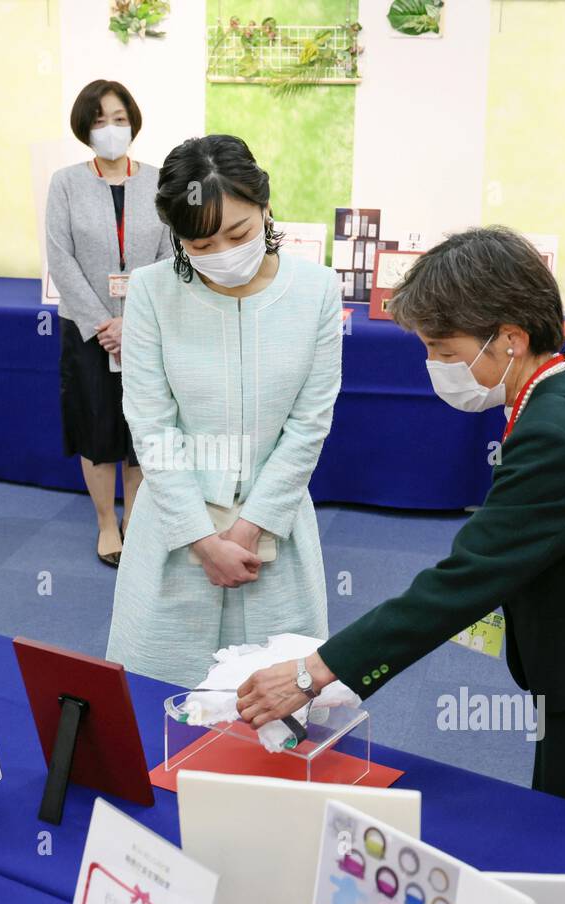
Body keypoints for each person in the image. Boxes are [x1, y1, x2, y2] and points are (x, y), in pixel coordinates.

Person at [236, 226, 565, 841]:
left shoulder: (556, 435)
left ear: (511, 340)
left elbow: (461, 583)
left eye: (444, 349)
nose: (434, 366)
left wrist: (313, 672)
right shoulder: (558, 397)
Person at [105, 135, 343, 686]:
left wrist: (250, 529)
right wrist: (200, 536)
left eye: (237, 234)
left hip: (272, 528)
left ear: (265, 207)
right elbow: (151, 423)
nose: (222, 254)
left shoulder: (315, 291)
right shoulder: (151, 292)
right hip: (175, 525)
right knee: (159, 708)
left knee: (276, 719)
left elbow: (309, 425)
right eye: (201, 244)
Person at [46, 80, 172, 567]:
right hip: (86, 329)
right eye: (99, 121)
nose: (111, 129)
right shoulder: (66, 183)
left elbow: (169, 256)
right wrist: (103, 323)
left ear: (133, 122)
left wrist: (133, 322)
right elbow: (61, 259)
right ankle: (105, 523)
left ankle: (134, 518)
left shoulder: (160, 180)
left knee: (140, 430)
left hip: (146, 330)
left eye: (119, 118)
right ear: (84, 129)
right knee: (97, 429)